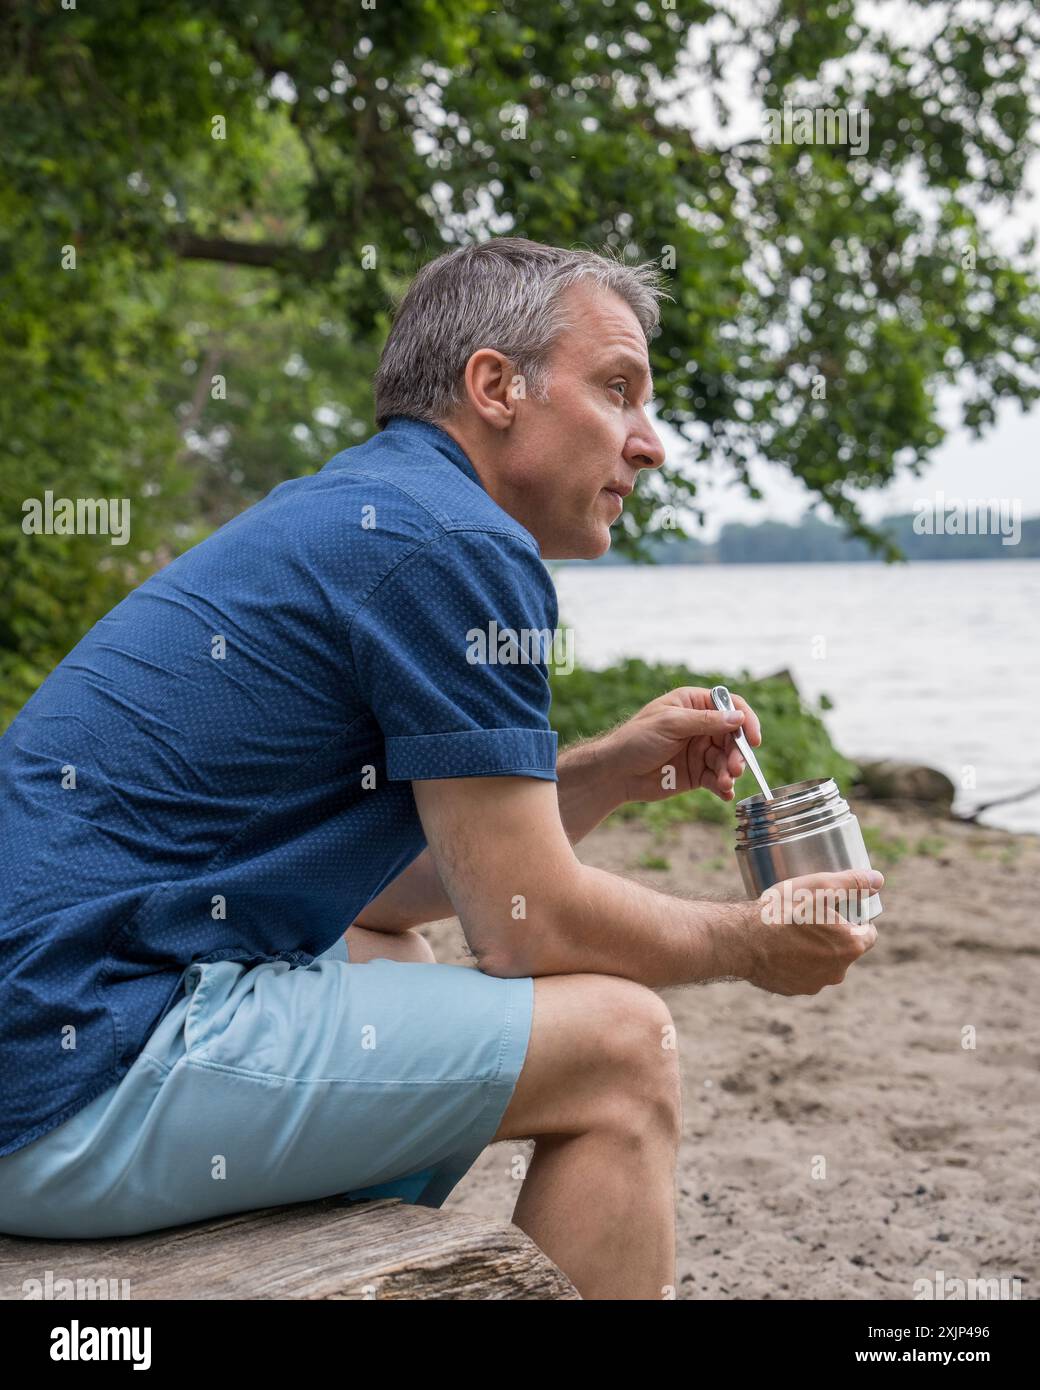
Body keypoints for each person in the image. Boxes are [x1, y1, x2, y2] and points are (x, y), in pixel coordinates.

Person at [0, 237, 880, 1299]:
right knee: (620, 1046)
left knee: (386, 947)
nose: (648, 445)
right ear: (495, 386)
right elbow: (526, 929)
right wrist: (744, 943)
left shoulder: (363, 510)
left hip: (40, 1030)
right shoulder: (454, 544)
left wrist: (598, 772)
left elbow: (398, 888)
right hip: (66, 1074)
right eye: (617, 390)